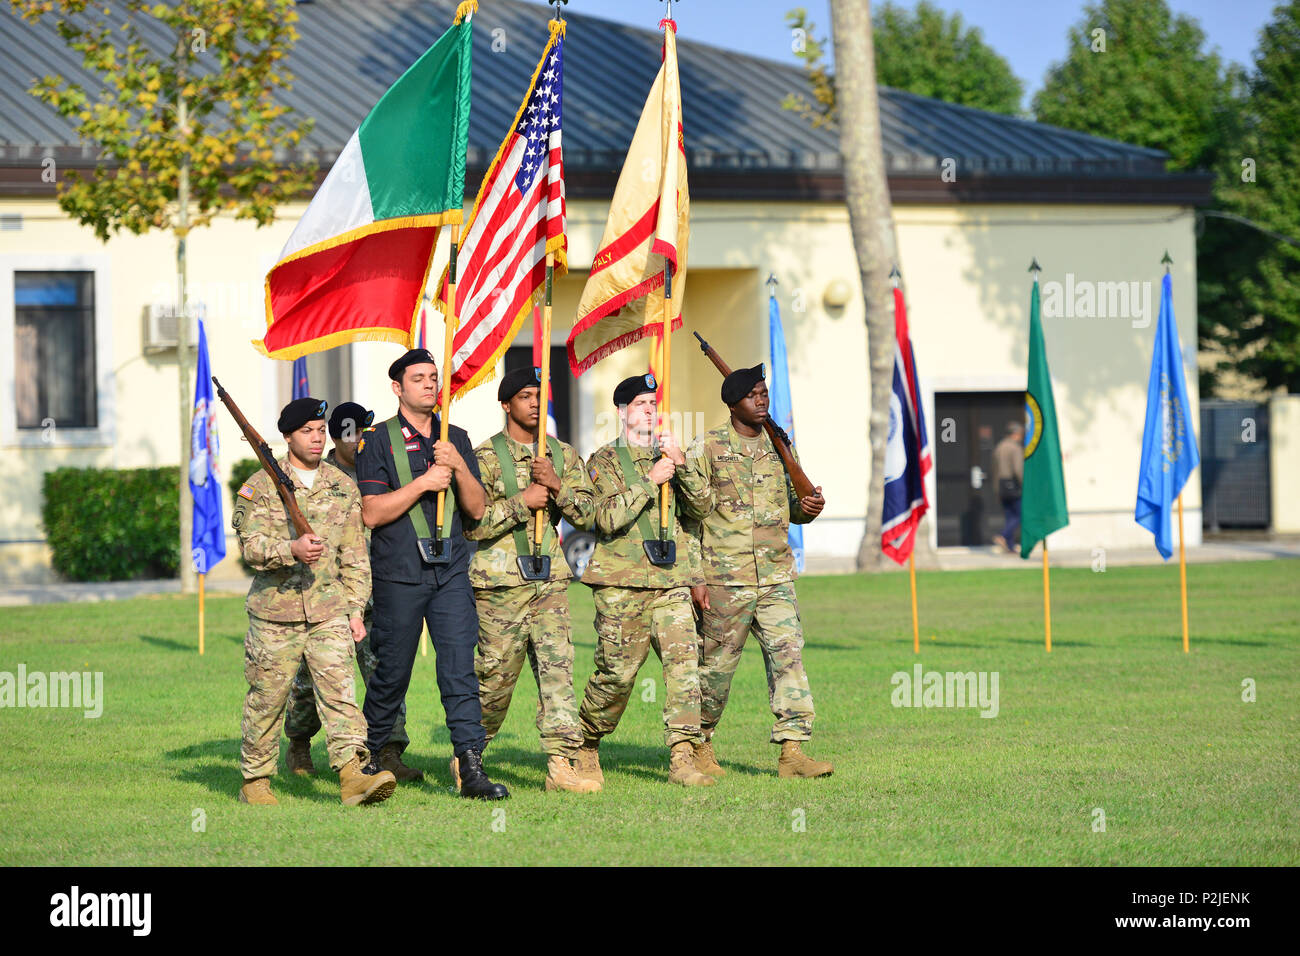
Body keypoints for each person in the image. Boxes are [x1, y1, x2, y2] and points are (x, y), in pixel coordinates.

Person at [355, 348, 508, 801]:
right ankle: (368, 759)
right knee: (392, 673)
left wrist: (457, 466)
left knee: (460, 670)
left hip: (451, 575)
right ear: (397, 388)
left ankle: (471, 766)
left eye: (434, 377)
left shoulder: (455, 437)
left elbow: (477, 509)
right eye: (418, 377)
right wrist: (423, 483)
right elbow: (372, 513)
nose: (429, 384)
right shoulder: (375, 440)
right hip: (399, 575)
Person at [231, 396, 396, 806]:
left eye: (321, 430)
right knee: (267, 700)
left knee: (341, 696)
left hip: (329, 612)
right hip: (275, 615)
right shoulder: (261, 486)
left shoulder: (342, 487)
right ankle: (256, 780)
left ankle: (353, 775)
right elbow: (250, 547)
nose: (317, 438)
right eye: (307, 431)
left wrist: (356, 610)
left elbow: (355, 556)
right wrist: (291, 550)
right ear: (287, 436)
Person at [681, 364, 833, 779]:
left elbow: (795, 506)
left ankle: (793, 752)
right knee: (715, 671)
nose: (762, 401)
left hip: (776, 577)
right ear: (733, 404)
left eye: (765, 393)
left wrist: (810, 509)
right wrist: (695, 577)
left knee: (789, 658)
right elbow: (689, 518)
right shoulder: (706, 447)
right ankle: (700, 743)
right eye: (753, 395)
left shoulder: (780, 445)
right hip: (724, 580)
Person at [573, 373, 716, 789]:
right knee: (616, 674)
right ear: (621, 412)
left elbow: (703, 508)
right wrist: (649, 481)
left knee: (685, 669)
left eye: (653, 403)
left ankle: (682, 756)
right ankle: (586, 742)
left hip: (671, 583)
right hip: (622, 584)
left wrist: (682, 467)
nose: (650, 410)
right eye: (640, 404)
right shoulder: (603, 462)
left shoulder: (672, 457)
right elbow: (604, 518)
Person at [463, 366, 599, 794]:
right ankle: (468, 755)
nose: (536, 403)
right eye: (525, 395)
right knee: (494, 680)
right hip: (500, 586)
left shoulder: (562, 455)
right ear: (506, 405)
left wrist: (557, 487)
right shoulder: (484, 457)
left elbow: (590, 515)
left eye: (540, 395)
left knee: (558, 673)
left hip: (550, 583)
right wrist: (523, 502)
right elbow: (473, 524)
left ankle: (561, 766)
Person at [282, 402, 422, 782]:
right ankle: (298, 740)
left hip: (378, 592)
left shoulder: (376, 471)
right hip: (327, 598)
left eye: (363, 433)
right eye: (350, 434)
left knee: (385, 673)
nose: (357, 441)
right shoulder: (317, 477)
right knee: (313, 680)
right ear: (335, 436)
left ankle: (388, 750)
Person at [992, 421, 1024, 554]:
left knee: (1009, 515)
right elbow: (1018, 469)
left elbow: (994, 469)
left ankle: (1010, 547)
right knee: (1019, 515)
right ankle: (1003, 536)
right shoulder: (1014, 448)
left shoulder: (999, 447)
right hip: (1013, 484)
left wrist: (996, 489)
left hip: (1001, 485)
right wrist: (1024, 484)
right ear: (1016, 434)